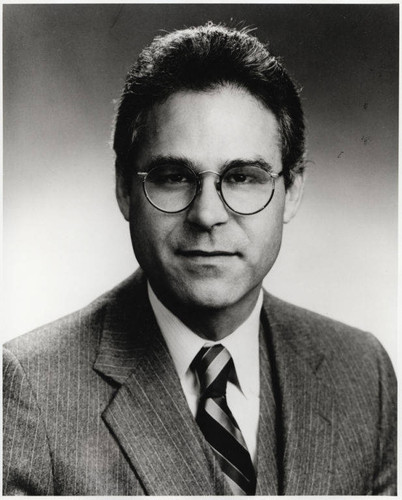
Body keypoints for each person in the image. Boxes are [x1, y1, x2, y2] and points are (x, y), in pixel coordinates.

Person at [3, 22, 396, 496]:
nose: (208, 215)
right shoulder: (33, 389)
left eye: (242, 177)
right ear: (124, 189)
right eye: (173, 176)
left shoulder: (362, 373)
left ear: (292, 190)